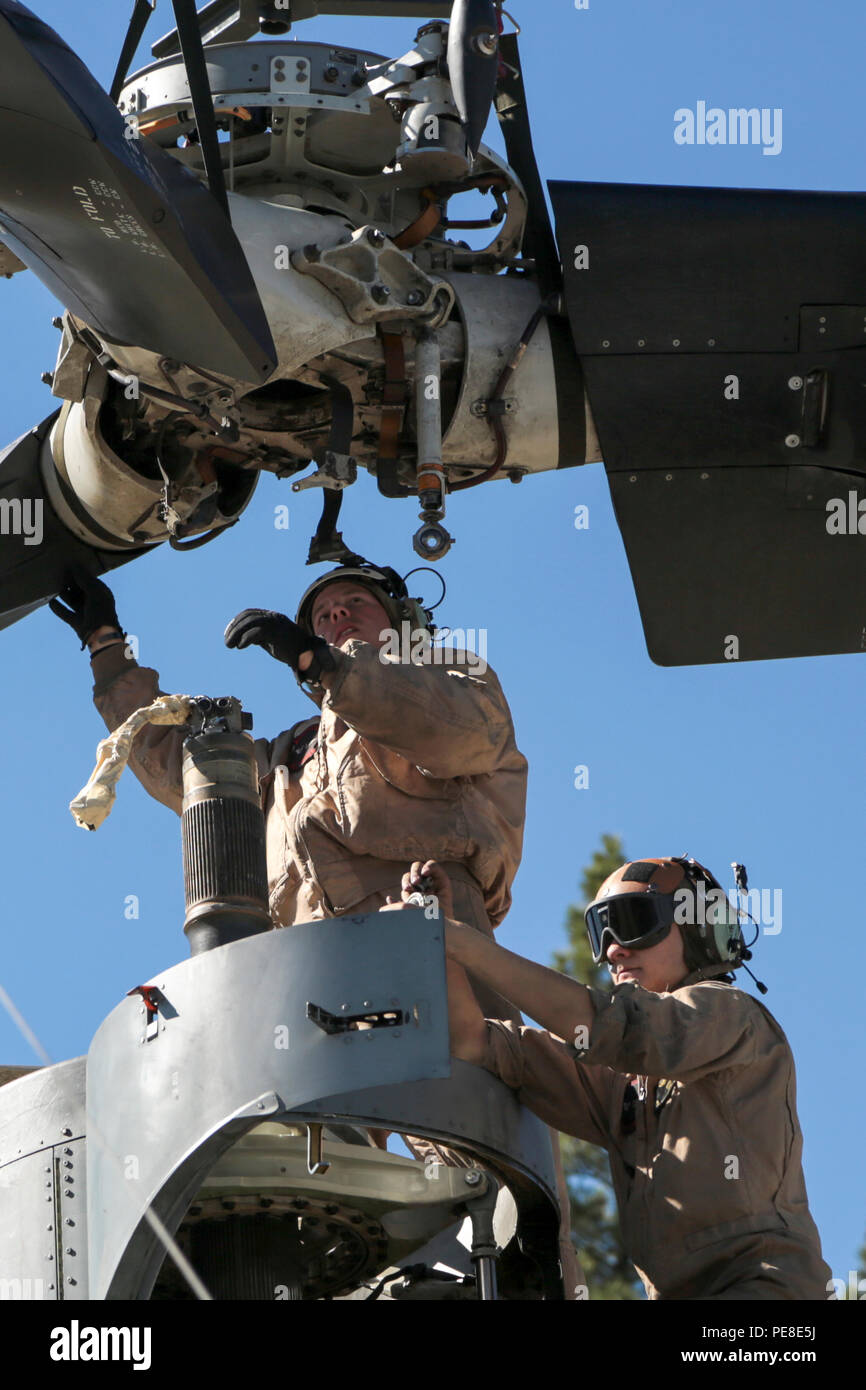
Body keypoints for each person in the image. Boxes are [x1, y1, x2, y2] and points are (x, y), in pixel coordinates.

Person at [398, 854, 832, 1300]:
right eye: (600, 932)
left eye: (634, 922)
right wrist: (439, 937)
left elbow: (621, 1029)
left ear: (699, 928)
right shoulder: (626, 1083)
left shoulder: (733, 1018)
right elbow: (476, 1045)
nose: (613, 949)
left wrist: (466, 944)